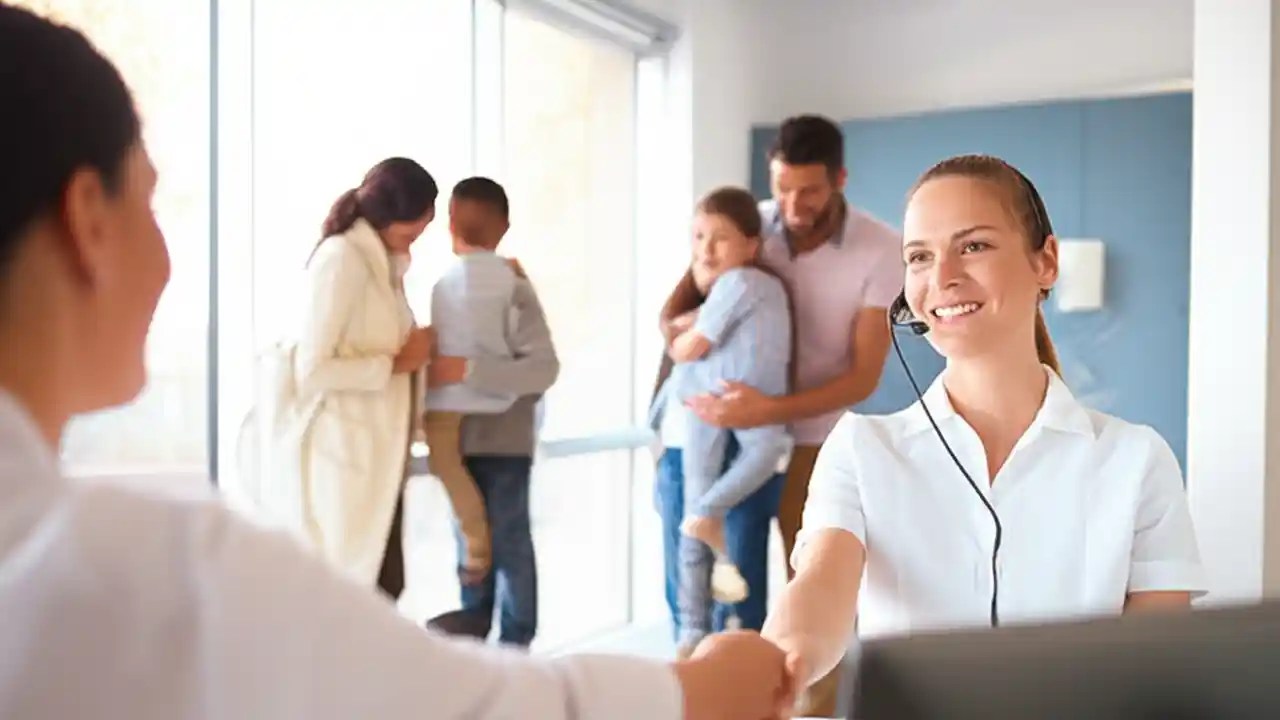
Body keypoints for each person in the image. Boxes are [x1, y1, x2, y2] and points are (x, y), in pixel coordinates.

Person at [0, 6, 797, 719]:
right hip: (379, 465)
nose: (169, 257)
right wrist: (697, 690)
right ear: (86, 221)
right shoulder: (149, 575)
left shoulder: (416, 274)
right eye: (148, 201)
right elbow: (473, 703)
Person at [761, 154, 1207, 716]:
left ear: (1045, 263)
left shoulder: (1136, 459)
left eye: (973, 245)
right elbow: (823, 584)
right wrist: (787, 658)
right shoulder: (861, 449)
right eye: (919, 256)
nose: (942, 276)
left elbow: (1158, 665)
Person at [655, 115, 901, 651]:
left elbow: (862, 376)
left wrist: (765, 411)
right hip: (727, 428)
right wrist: (679, 341)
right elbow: (678, 305)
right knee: (725, 571)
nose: (791, 206)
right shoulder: (749, 227)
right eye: (781, 187)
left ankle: (814, 707)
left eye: (809, 191)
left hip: (815, 441)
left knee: (813, 589)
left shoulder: (881, 249)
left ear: (840, 179)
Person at [649, 187, 792, 658]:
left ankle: (695, 633)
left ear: (752, 244)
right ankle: (693, 632)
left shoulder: (744, 283)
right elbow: (686, 343)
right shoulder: (730, 290)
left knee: (703, 515)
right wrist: (688, 322)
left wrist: (685, 330)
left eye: (720, 238)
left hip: (718, 407)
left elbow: (686, 348)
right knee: (696, 519)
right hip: (702, 409)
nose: (706, 249)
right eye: (698, 237)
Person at [289, 156, 437, 597]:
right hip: (348, 458)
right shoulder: (342, 260)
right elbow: (311, 369)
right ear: (387, 217)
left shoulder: (384, 268)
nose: (415, 241)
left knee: (386, 586)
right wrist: (393, 365)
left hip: (380, 457)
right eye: (412, 231)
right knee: (362, 590)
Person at [425, 181, 557, 648]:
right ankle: (475, 643)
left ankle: (516, 646)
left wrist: (466, 369)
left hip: (502, 439)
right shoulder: (447, 286)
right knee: (472, 541)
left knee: (507, 542)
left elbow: (543, 369)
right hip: (462, 440)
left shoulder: (510, 289)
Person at [423, 177, 522, 585]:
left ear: (450, 226)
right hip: (498, 404)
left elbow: (441, 346)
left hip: (448, 404)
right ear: (504, 228)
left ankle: (475, 546)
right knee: (512, 522)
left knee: (444, 463)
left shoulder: (444, 284)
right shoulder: (513, 281)